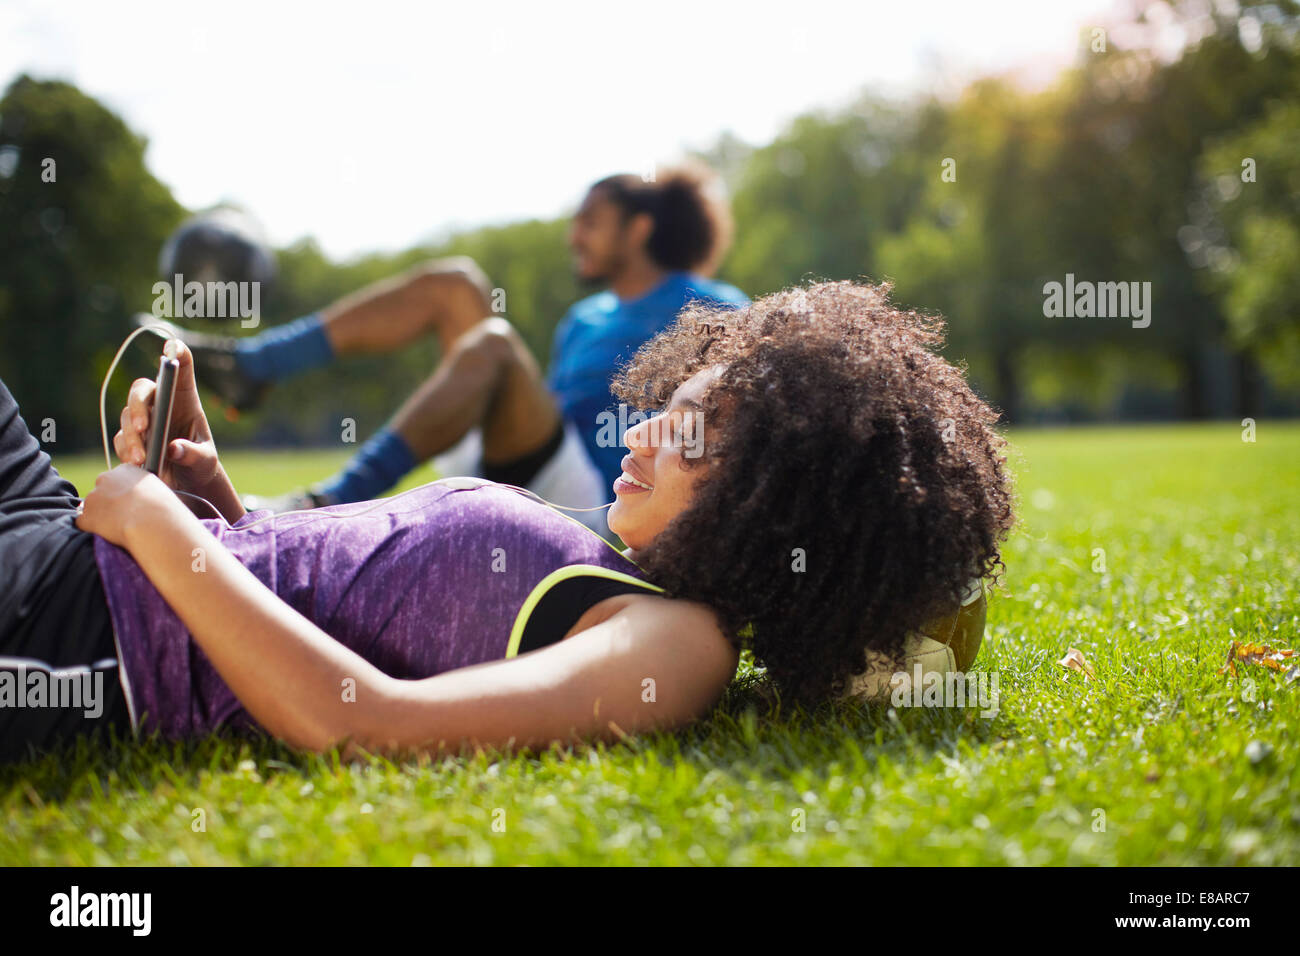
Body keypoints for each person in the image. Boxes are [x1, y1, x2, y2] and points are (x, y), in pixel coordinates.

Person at [1, 281, 1014, 764]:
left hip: (79, 634)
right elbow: (333, 594)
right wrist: (215, 502)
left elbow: (367, 724)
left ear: (781, 509)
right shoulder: (620, 569)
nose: (649, 431)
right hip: (82, 547)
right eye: (675, 401)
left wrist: (155, 526)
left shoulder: (679, 642)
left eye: (697, 436)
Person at [146, 165, 749, 540]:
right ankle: (253, 366)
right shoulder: (582, 319)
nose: (575, 235)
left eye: (591, 219)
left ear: (639, 229)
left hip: (606, 500)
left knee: (492, 343)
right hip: (534, 468)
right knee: (455, 285)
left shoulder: (713, 303)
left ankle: (323, 502)